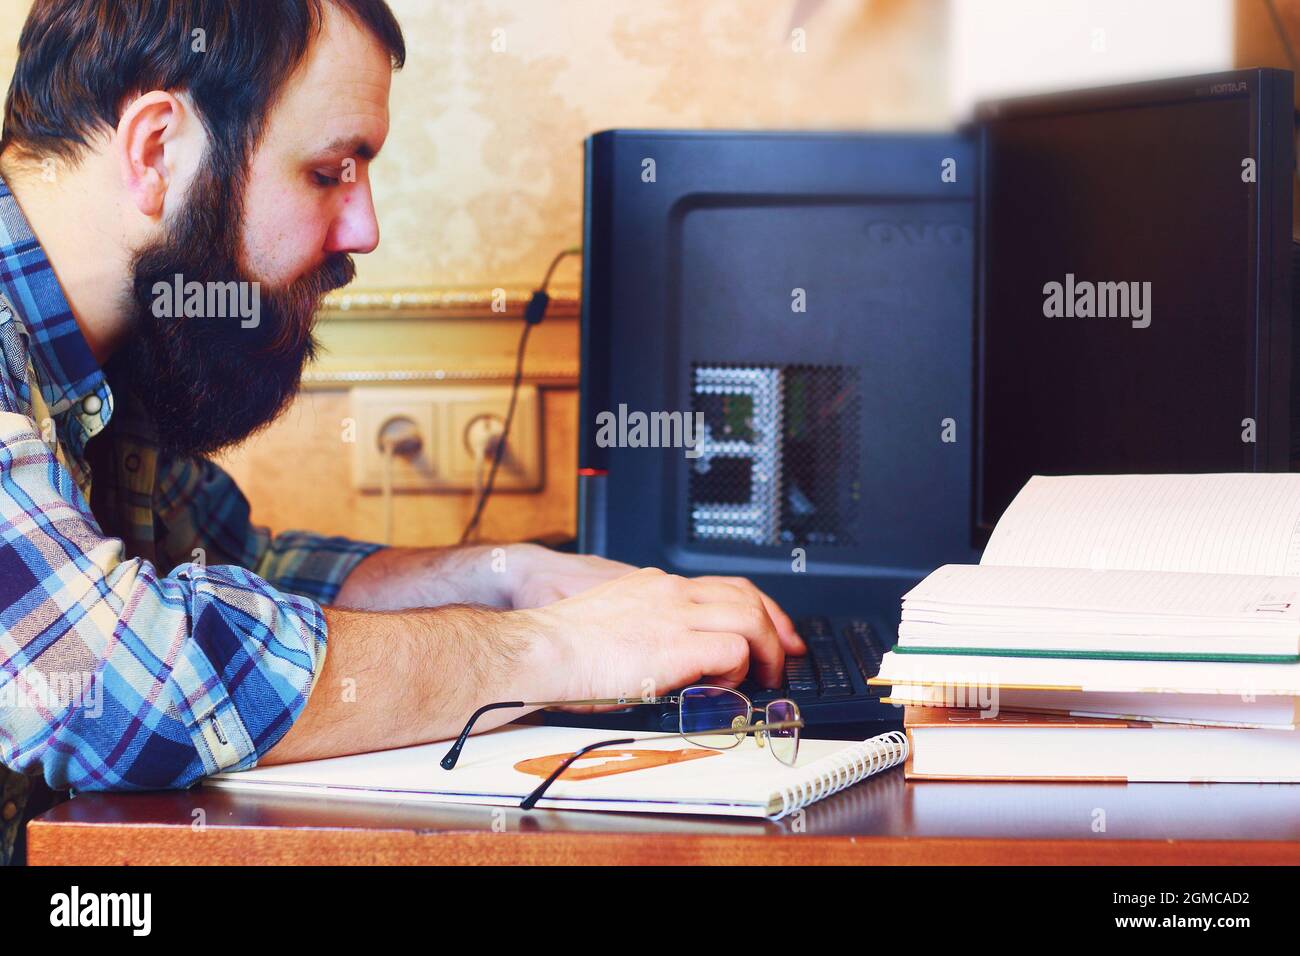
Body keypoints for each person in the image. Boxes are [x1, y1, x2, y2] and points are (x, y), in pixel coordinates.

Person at [0, 0, 803, 864]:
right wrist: (559, 649)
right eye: (327, 172)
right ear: (157, 150)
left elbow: (244, 570)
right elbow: (120, 686)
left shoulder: (103, 369)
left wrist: (506, 580)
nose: (365, 230)